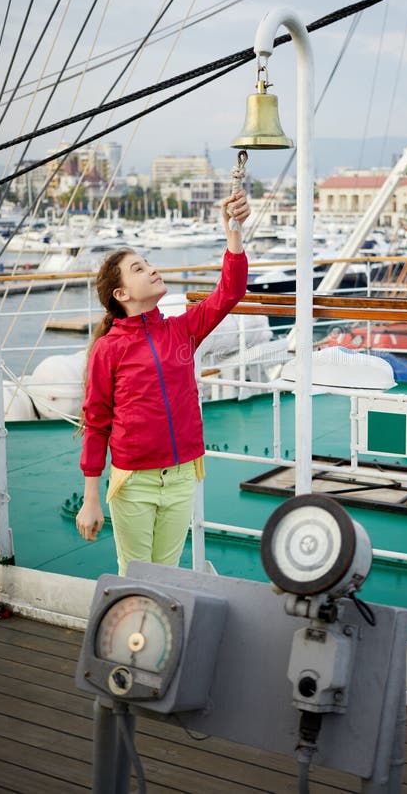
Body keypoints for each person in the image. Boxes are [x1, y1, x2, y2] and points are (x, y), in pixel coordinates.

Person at [76, 189, 250, 574]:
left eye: (148, 263)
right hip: (133, 481)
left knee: (168, 572)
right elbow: (96, 422)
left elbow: (230, 292)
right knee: (135, 576)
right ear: (121, 294)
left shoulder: (182, 330)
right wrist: (91, 498)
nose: (152, 269)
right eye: (139, 268)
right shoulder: (109, 348)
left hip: (183, 474)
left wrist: (233, 232)